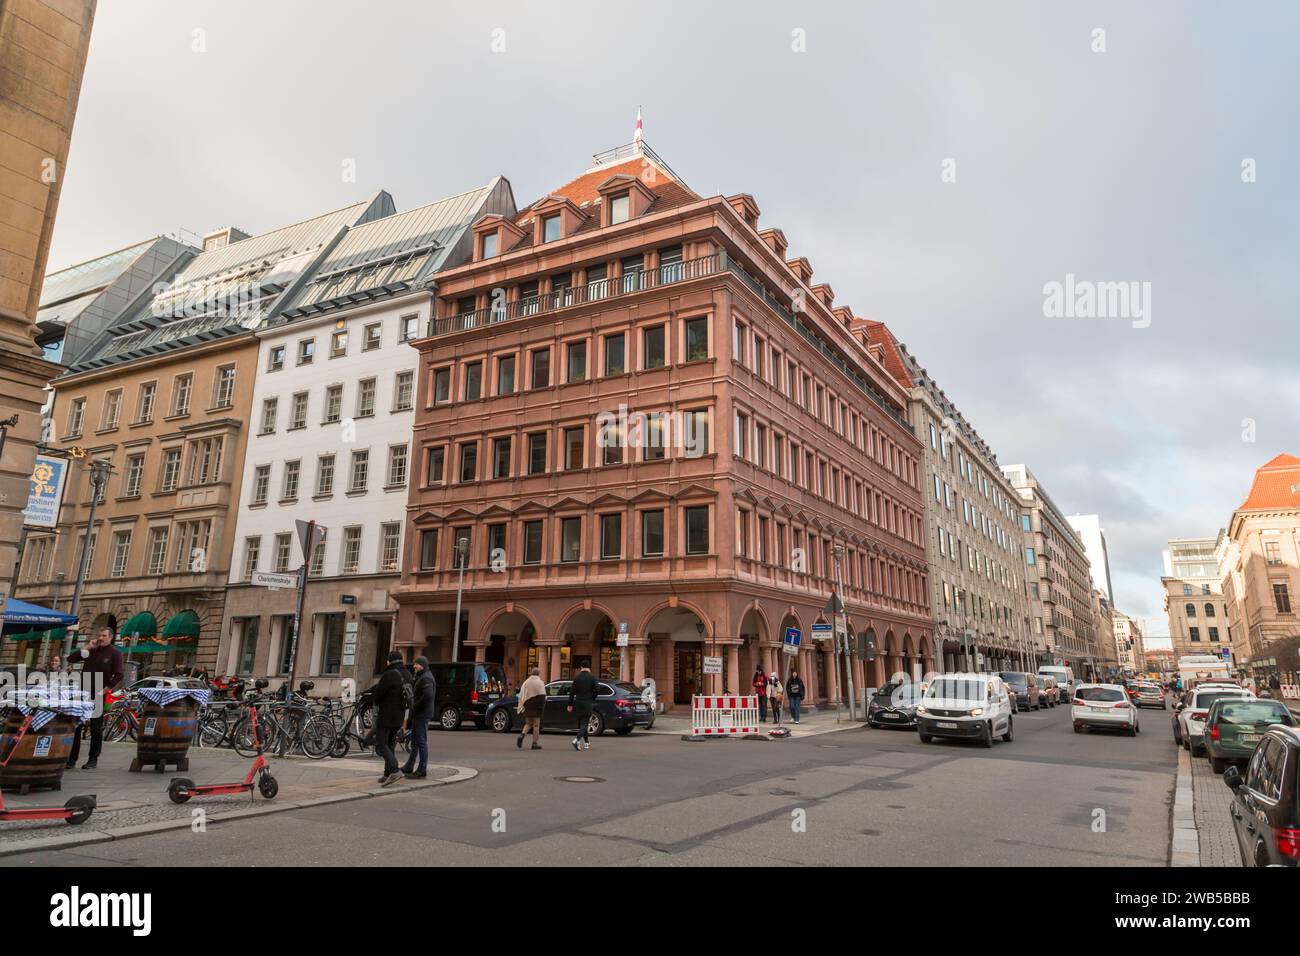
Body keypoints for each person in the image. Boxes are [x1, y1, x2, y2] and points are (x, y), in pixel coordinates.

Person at [65, 627, 125, 771]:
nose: (100, 638)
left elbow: (119, 674)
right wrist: (86, 647)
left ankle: (93, 759)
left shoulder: (115, 653)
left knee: (95, 727)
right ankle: (72, 759)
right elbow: (70, 659)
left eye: (104, 635)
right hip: (82, 691)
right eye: (99, 635)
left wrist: (105, 689)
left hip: (98, 693)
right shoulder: (91, 650)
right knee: (77, 726)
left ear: (111, 637)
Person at [373, 651, 410, 787]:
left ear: (389, 661)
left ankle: (394, 770)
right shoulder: (407, 674)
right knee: (390, 744)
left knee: (381, 744)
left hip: (387, 715)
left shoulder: (389, 674)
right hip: (400, 715)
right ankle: (387, 773)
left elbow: (378, 696)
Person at [401, 657, 435, 778]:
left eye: (417, 664)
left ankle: (422, 769)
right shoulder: (421, 676)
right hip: (418, 714)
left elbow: (428, 696)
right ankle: (409, 766)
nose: (414, 666)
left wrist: (414, 705)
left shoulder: (426, 678)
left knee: (421, 741)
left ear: (423, 665)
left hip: (422, 714)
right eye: (414, 663)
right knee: (414, 740)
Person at [567, 662, 599, 751]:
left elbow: (572, 692)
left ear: (581, 667)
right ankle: (576, 740)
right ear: (589, 667)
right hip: (588, 702)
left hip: (578, 702)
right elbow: (597, 690)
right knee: (585, 723)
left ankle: (586, 742)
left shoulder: (577, 678)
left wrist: (570, 704)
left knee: (582, 723)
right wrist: (593, 697)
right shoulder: (592, 677)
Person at [516, 668, 546, 750]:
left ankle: (522, 735)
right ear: (538, 674)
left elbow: (522, 694)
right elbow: (542, 696)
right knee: (536, 725)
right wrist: (542, 708)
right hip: (536, 705)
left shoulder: (526, 682)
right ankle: (534, 743)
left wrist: (522, 704)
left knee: (528, 723)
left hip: (527, 704)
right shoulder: (540, 682)